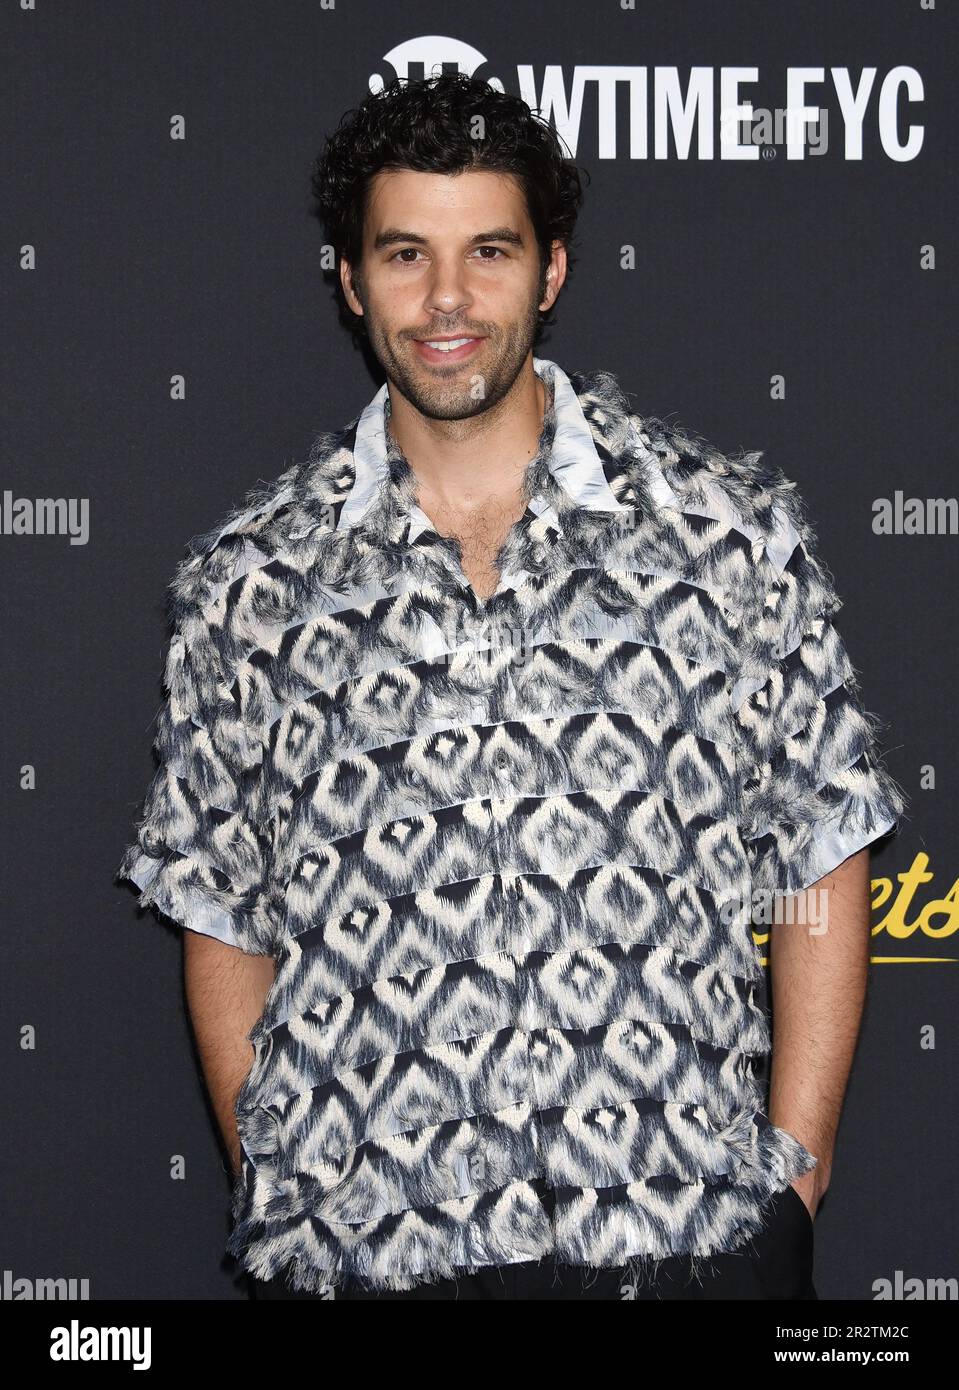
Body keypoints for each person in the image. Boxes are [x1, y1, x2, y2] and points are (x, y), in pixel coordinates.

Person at [115, 71, 907, 1301]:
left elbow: (817, 854)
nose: (445, 301)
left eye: (488, 251)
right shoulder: (250, 586)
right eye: (402, 255)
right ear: (347, 279)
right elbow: (221, 911)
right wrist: (282, 1183)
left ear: (549, 271)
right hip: (368, 1250)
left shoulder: (723, 535)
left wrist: (788, 1185)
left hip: (678, 1236)